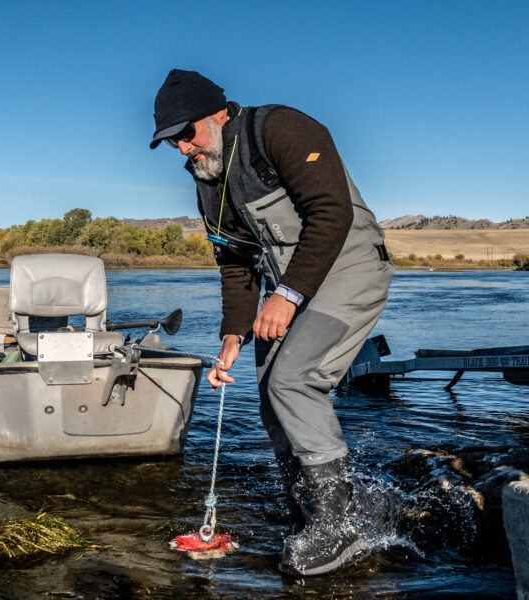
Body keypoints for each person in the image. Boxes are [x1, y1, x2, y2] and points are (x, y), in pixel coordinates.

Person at [150, 69, 394, 576]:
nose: (181, 149)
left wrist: (285, 293)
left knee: (293, 380)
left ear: (217, 113)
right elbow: (235, 265)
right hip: (291, 288)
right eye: (171, 141)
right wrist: (232, 334)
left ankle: (339, 524)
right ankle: (308, 513)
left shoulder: (280, 129)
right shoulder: (206, 180)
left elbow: (331, 212)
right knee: (268, 396)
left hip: (348, 270)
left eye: (185, 134)